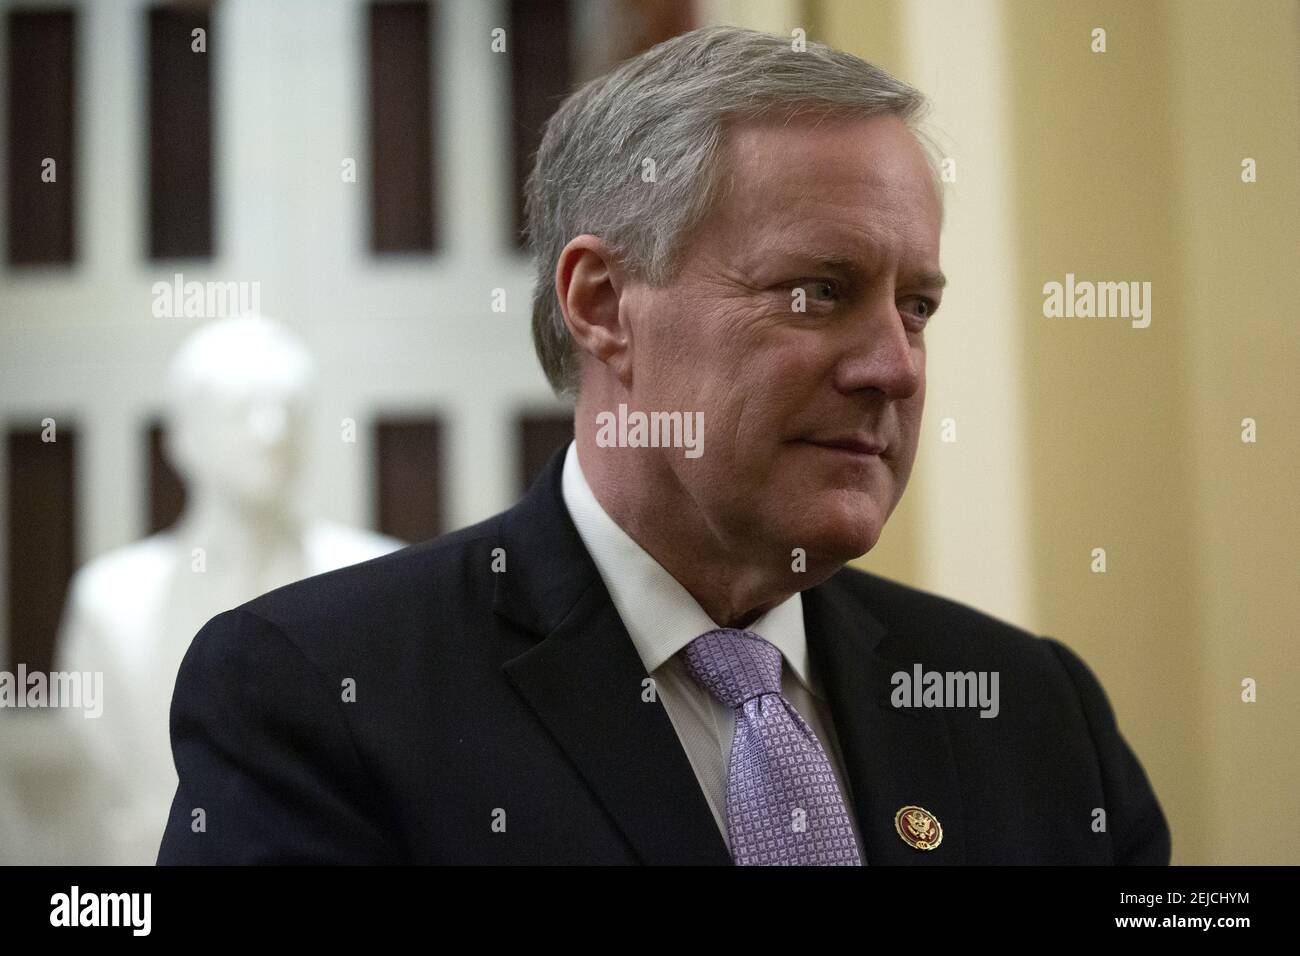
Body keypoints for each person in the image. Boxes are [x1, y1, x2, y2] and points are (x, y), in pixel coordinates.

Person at [158, 26, 1169, 865]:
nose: (894, 368)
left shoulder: (1033, 712)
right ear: (602, 303)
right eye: (817, 291)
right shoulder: (321, 692)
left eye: (916, 307)